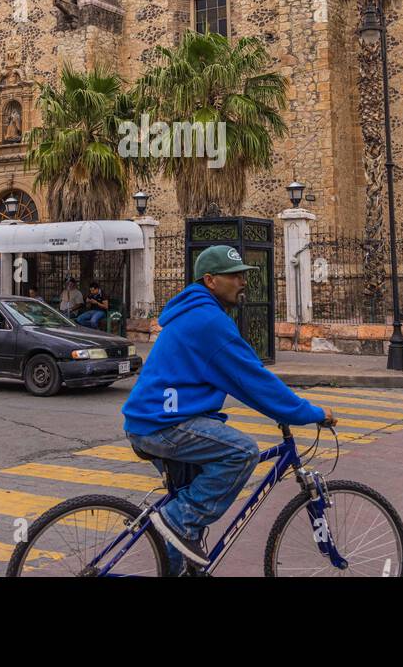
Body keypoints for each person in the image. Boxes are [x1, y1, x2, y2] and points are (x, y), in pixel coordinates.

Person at [121, 245, 335, 572]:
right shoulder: (208, 321)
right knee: (242, 452)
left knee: (185, 528)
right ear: (210, 280)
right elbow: (253, 380)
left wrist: (284, 407)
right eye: (234, 275)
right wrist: (310, 412)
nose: (242, 282)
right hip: (161, 424)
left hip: (157, 419)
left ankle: (179, 541)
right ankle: (177, 519)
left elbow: (244, 380)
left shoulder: (195, 313)